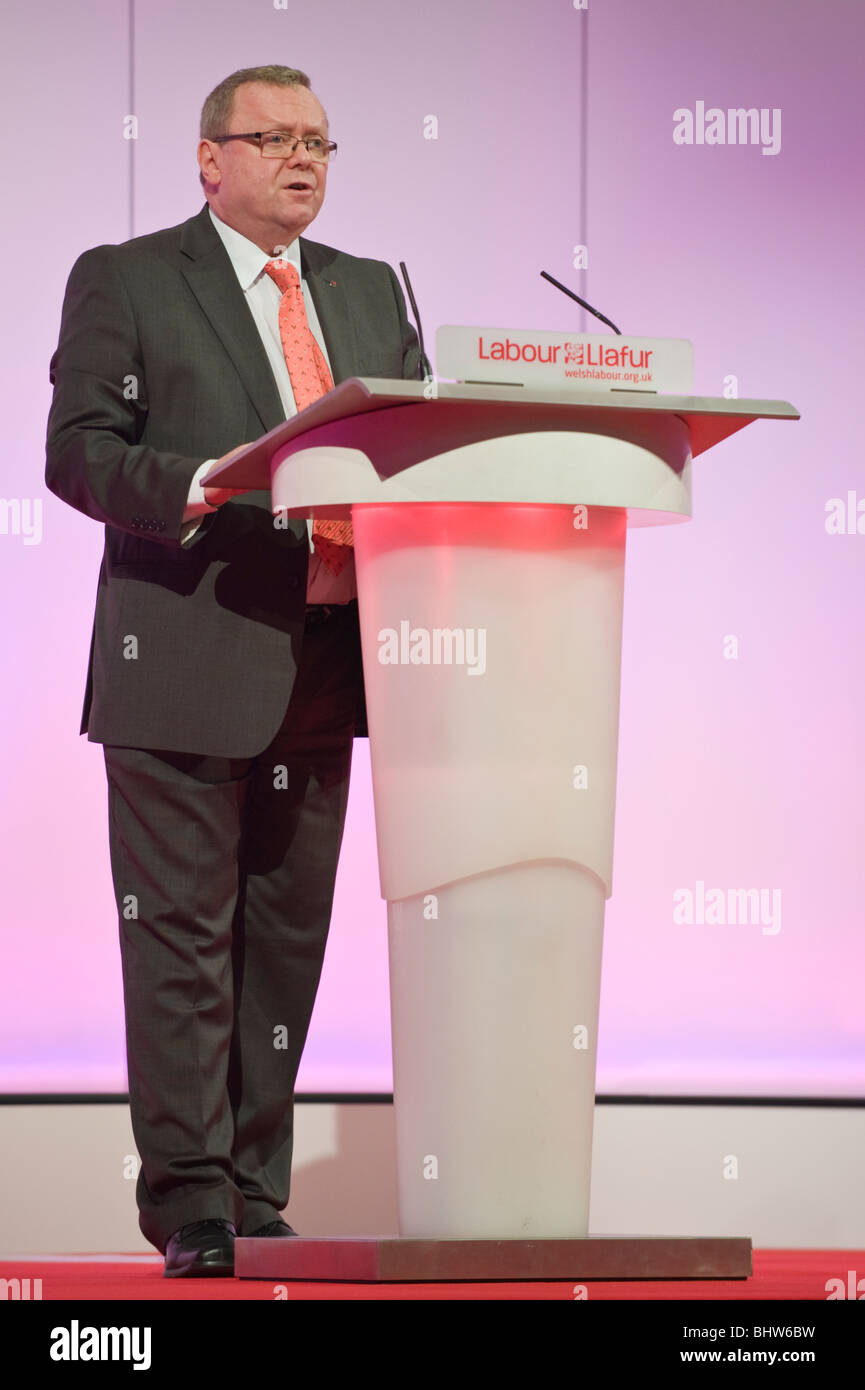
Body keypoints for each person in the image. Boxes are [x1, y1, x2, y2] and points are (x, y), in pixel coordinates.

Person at [45, 64, 420, 1277]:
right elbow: (80, 453)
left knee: (284, 944)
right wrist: (204, 481)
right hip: (187, 654)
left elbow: (409, 446)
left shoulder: (369, 293)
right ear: (210, 159)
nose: (300, 159)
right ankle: (191, 1205)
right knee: (182, 944)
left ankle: (257, 1194)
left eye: (318, 140)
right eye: (271, 139)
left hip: (329, 657)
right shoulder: (132, 276)